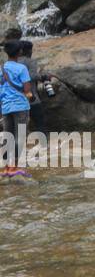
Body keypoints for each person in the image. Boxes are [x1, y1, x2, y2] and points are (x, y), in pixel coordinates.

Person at [1, 40, 33, 177]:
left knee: (8, 136)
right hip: (20, 106)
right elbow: (26, 89)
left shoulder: (2, 68)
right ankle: (15, 168)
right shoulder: (22, 68)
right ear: (19, 52)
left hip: (6, 107)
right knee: (20, 137)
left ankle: (7, 168)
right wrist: (30, 96)